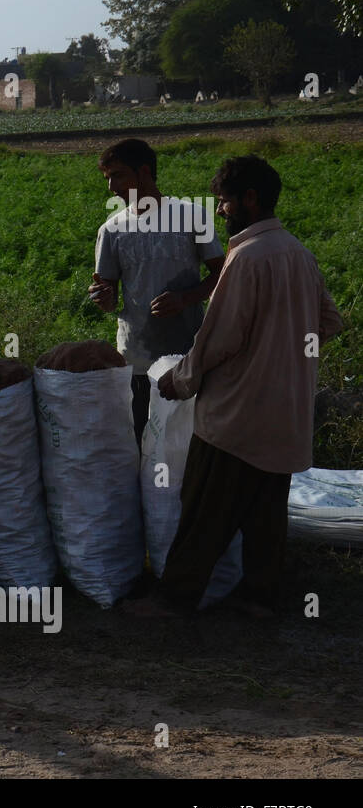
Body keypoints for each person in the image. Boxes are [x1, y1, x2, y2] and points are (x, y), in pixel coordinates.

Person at [130, 156, 344, 619]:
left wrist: (179, 380)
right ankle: (260, 598)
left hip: (236, 414)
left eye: (225, 201)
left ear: (250, 199)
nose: (221, 210)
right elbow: (329, 321)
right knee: (266, 514)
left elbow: (218, 339)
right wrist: (284, 353)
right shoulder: (298, 253)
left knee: (205, 508)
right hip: (287, 411)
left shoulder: (245, 258)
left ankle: (173, 600)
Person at [88, 138, 226, 444]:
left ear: (145, 172)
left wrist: (185, 298)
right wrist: (103, 298)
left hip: (188, 354)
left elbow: (222, 273)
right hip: (136, 356)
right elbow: (108, 295)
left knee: (187, 439)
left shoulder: (192, 216)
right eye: (107, 178)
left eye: (119, 175)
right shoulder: (111, 230)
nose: (112, 187)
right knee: (143, 437)